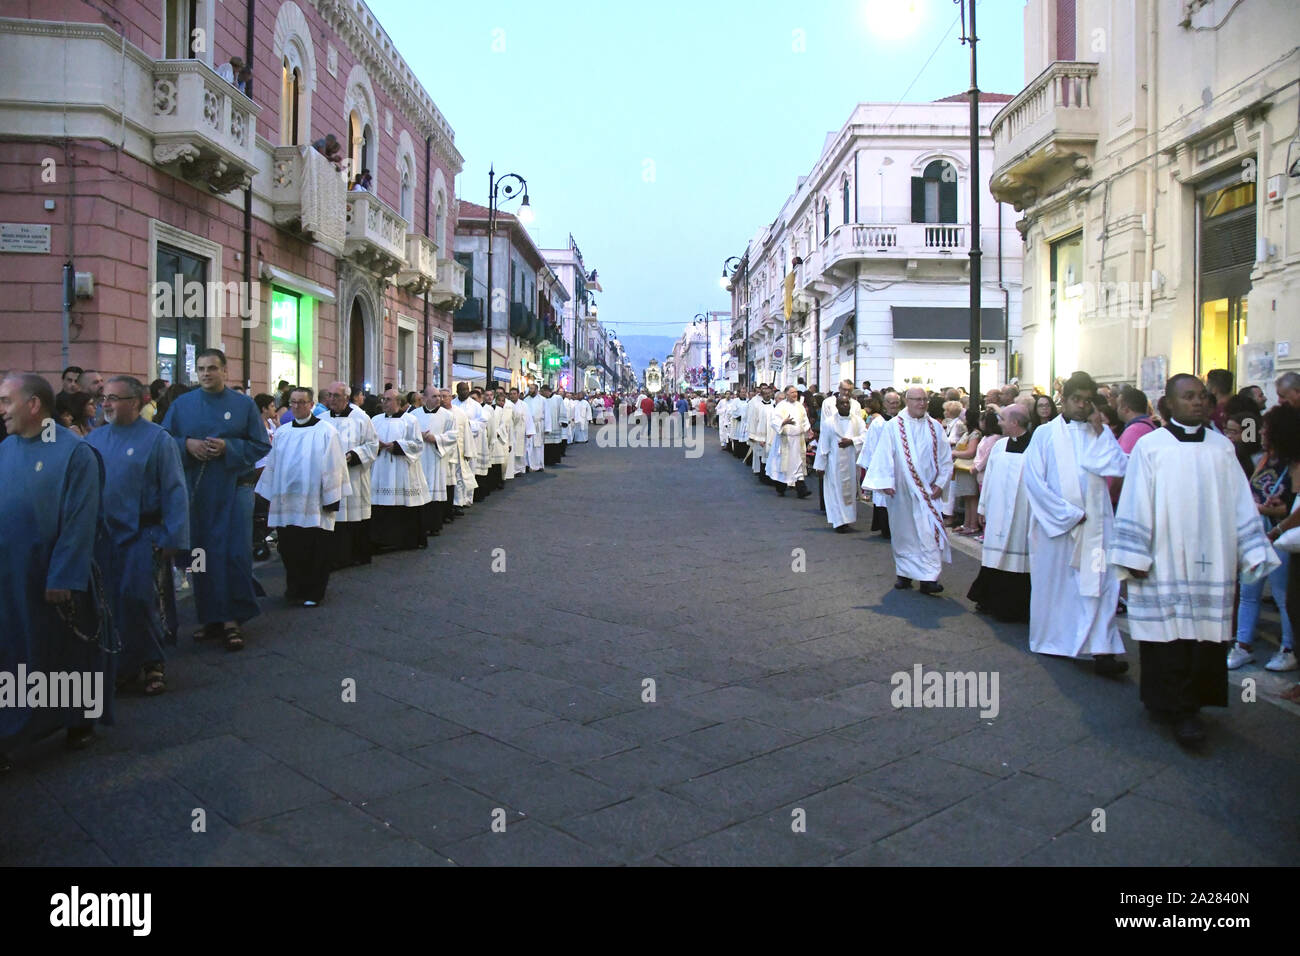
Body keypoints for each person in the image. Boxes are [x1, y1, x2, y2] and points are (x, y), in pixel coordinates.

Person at [1111, 374, 1279, 746]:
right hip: (1163, 559)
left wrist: (1252, 549)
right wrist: (1133, 554)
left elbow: (1240, 502)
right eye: (1188, 397)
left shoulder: (1222, 448)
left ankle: (1188, 709)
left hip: (1211, 558)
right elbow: (1136, 499)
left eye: (1202, 396)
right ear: (1168, 404)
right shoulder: (1151, 446)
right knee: (1166, 637)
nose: (1199, 402)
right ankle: (1164, 701)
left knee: (1201, 638)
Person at [0, 373, 115, 767]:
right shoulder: (6, 449)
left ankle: (77, 719)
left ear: (33, 405)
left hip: (53, 575)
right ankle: (16, 725)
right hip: (12, 575)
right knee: (18, 652)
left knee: (66, 651)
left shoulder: (75, 453)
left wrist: (64, 575)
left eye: (6, 400)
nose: (1, 410)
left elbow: (82, 520)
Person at [85, 375, 189, 696]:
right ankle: (124, 665)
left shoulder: (158, 439)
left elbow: (175, 490)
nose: (107, 404)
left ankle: (153, 662)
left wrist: (173, 536)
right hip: (104, 537)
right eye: (104, 398)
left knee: (140, 599)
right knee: (110, 603)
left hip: (144, 534)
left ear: (135, 402)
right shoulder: (92, 440)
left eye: (114, 398)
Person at [161, 348, 269, 652]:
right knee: (200, 555)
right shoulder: (182, 405)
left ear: (225, 371)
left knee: (234, 552)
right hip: (197, 490)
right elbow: (164, 440)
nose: (206, 373)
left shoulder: (244, 405)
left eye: (212, 368)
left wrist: (229, 448)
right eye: (201, 368)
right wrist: (188, 444)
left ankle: (233, 619)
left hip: (235, 487)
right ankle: (210, 617)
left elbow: (261, 444)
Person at [1022, 371, 1129, 677]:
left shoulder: (1098, 432)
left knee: (1100, 585)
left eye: (1087, 400)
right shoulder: (1044, 434)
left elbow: (1117, 466)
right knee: (1059, 588)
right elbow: (1033, 481)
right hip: (1057, 528)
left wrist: (1103, 432)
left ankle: (1103, 650)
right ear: (1064, 400)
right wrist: (1067, 515)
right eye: (1076, 399)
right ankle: (1058, 640)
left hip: (1097, 525)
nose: (1082, 406)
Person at [256, 387, 348, 606]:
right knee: (290, 548)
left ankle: (314, 592)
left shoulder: (326, 431)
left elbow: (334, 466)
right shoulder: (283, 432)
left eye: (302, 402)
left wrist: (332, 497)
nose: (297, 406)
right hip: (287, 500)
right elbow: (272, 465)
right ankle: (295, 588)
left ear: (311, 404)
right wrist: (267, 497)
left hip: (314, 502)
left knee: (315, 548)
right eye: (293, 402)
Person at [1227, 402, 1300, 673]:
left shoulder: (1294, 463)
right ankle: (1243, 645)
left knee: (1283, 596)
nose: (1262, 432)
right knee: (1249, 592)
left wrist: (1267, 511)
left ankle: (1288, 648)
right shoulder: (1266, 457)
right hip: (1259, 531)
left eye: (1267, 428)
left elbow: (1292, 507)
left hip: (1279, 535)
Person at [864, 387, 953, 594]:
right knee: (905, 534)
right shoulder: (894, 427)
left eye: (924, 400)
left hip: (929, 492)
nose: (921, 404)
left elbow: (945, 458)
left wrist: (940, 483)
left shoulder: (935, 427)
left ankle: (929, 577)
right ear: (907, 401)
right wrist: (885, 481)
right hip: (902, 491)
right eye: (917, 400)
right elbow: (884, 454)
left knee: (928, 533)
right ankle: (904, 573)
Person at [968, 405, 1033, 622]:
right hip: (997, 509)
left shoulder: (1035, 446)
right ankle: (989, 600)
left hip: (1022, 512)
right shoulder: (1000, 445)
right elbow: (989, 478)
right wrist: (983, 508)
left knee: (1017, 562)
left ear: (1015, 422)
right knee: (994, 558)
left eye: (1003, 419)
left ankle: (1013, 608)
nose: (1000, 423)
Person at [321, 382, 378, 567]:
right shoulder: (322, 420)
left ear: (346, 398)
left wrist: (353, 456)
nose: (331, 400)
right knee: (333, 517)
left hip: (354, 476)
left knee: (353, 516)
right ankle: (333, 557)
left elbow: (372, 445)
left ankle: (355, 555)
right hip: (330, 477)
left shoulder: (361, 418)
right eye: (329, 395)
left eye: (336, 396)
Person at [369, 389, 429, 552]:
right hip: (382, 468)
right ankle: (381, 539)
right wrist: (378, 446)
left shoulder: (410, 420)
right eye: (383, 399)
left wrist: (396, 446)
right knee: (381, 505)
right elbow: (369, 441)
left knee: (402, 505)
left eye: (388, 400)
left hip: (402, 468)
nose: (384, 403)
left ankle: (404, 539)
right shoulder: (375, 420)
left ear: (399, 402)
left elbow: (417, 444)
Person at [815, 390, 865, 531]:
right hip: (834, 463)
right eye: (841, 403)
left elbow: (866, 437)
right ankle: (839, 522)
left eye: (846, 403)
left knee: (849, 491)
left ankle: (847, 520)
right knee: (835, 491)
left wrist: (852, 441)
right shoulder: (829, 422)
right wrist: (820, 464)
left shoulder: (857, 421)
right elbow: (823, 444)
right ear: (836, 406)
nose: (845, 405)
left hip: (851, 463)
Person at [1110, 386, 1157, 506]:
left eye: (1118, 406)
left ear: (1125, 408)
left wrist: (1111, 496)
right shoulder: (1149, 426)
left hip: (1128, 500)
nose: (1116, 410)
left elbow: (1122, 470)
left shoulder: (1134, 431)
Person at [766, 385, 812, 498]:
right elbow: (774, 421)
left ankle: (802, 490)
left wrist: (807, 429)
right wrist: (783, 422)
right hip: (785, 440)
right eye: (792, 392)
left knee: (798, 465)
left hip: (797, 440)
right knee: (783, 465)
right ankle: (780, 488)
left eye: (796, 392)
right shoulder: (781, 406)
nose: (795, 394)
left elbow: (805, 420)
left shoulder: (800, 406)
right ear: (786, 394)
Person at [950, 407, 983, 535]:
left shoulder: (975, 434)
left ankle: (973, 524)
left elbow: (971, 452)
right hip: (962, 468)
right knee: (966, 497)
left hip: (968, 467)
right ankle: (967, 523)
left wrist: (955, 453)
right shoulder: (967, 433)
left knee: (971, 497)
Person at [745, 383, 776, 483]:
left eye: (769, 393)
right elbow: (753, 420)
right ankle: (763, 477)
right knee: (763, 456)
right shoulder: (757, 406)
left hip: (773, 434)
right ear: (762, 395)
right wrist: (753, 436)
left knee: (772, 456)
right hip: (761, 435)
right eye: (765, 393)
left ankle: (772, 476)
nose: (768, 395)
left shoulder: (775, 405)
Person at [521, 383, 546, 473]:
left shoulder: (543, 400)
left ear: (536, 390)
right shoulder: (525, 400)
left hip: (538, 425)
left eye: (532, 389)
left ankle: (538, 465)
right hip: (528, 425)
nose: (531, 390)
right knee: (527, 446)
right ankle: (527, 465)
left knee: (538, 446)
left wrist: (547, 428)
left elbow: (547, 413)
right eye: (530, 388)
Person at [540, 383, 565, 466]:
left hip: (555, 424)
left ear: (547, 391)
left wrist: (563, 420)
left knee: (554, 444)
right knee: (545, 444)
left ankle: (553, 460)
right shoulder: (541, 399)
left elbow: (562, 409)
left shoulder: (558, 398)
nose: (541, 393)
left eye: (542, 392)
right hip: (544, 425)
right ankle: (545, 460)